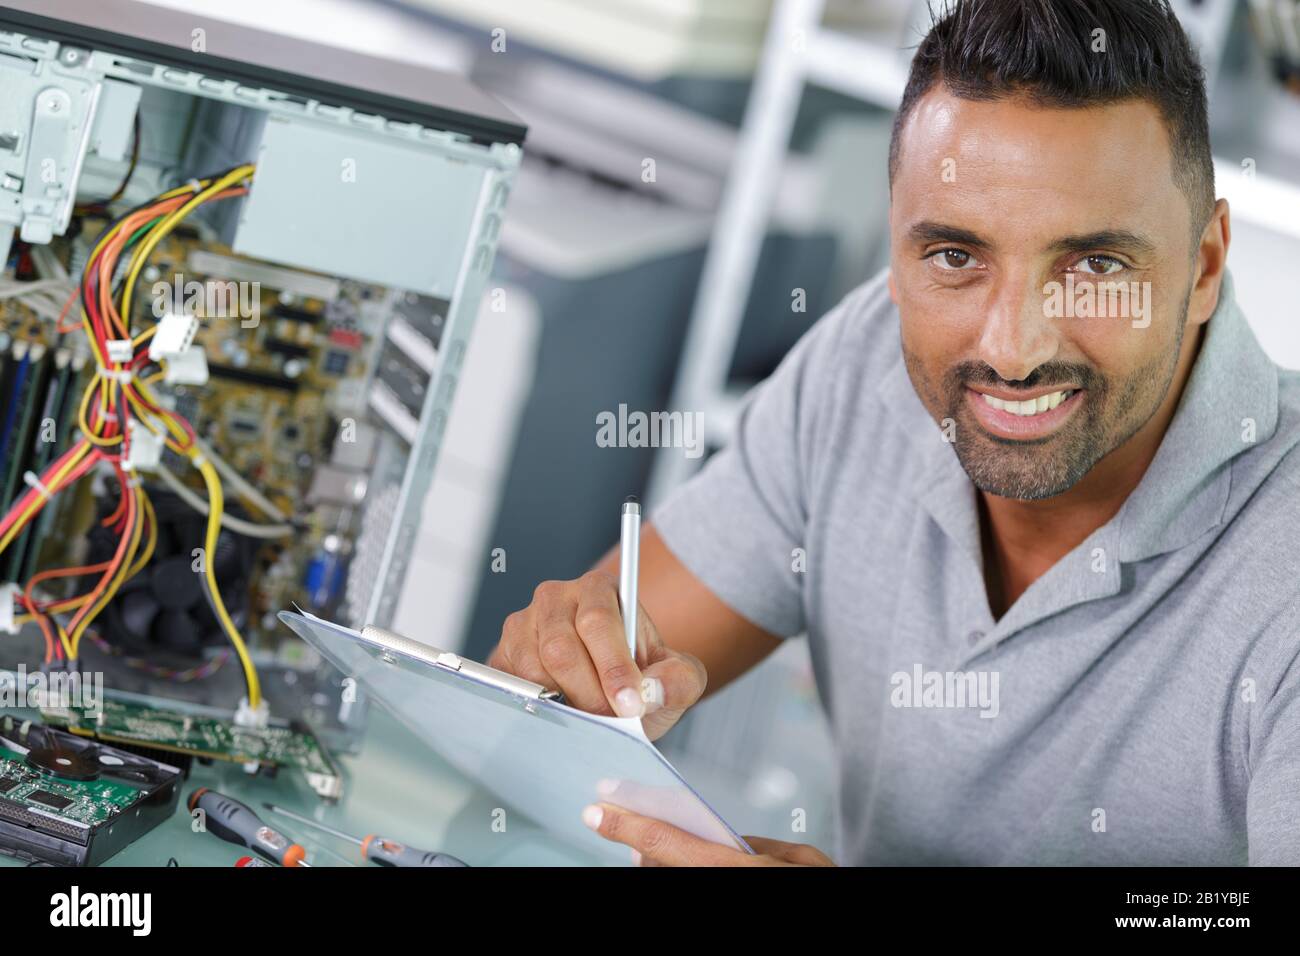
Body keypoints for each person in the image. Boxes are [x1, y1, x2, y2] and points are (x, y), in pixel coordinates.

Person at [489, 0, 1300, 866]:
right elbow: (556, 716)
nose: (1012, 349)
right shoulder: (860, 366)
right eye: (955, 257)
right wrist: (556, 678)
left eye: (1095, 265)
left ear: (1206, 264)